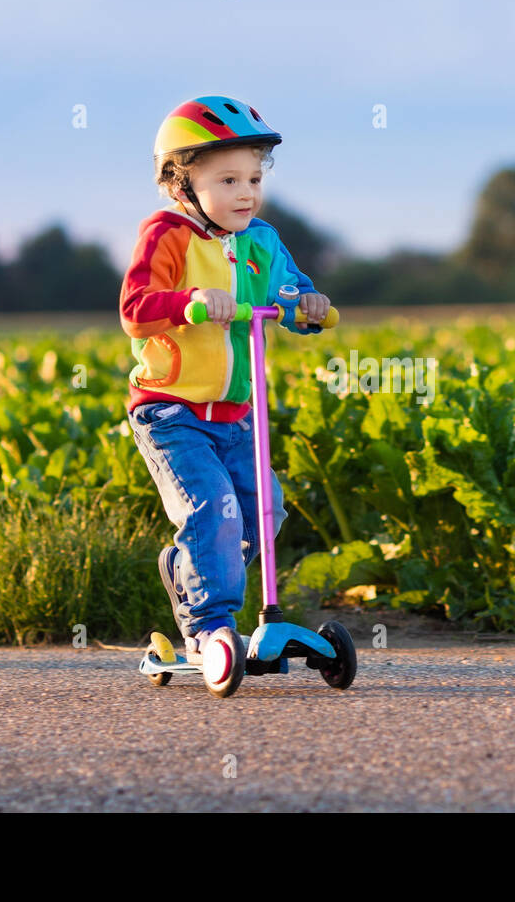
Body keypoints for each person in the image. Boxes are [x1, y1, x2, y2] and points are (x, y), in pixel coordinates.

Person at [120, 94, 331, 673]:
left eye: (254, 179)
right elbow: (136, 308)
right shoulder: (166, 235)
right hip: (171, 412)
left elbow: (290, 295)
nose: (246, 193)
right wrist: (189, 302)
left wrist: (307, 305)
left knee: (266, 509)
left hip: (235, 413)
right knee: (213, 507)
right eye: (228, 179)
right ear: (180, 185)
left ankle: (195, 576)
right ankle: (208, 626)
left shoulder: (262, 240)